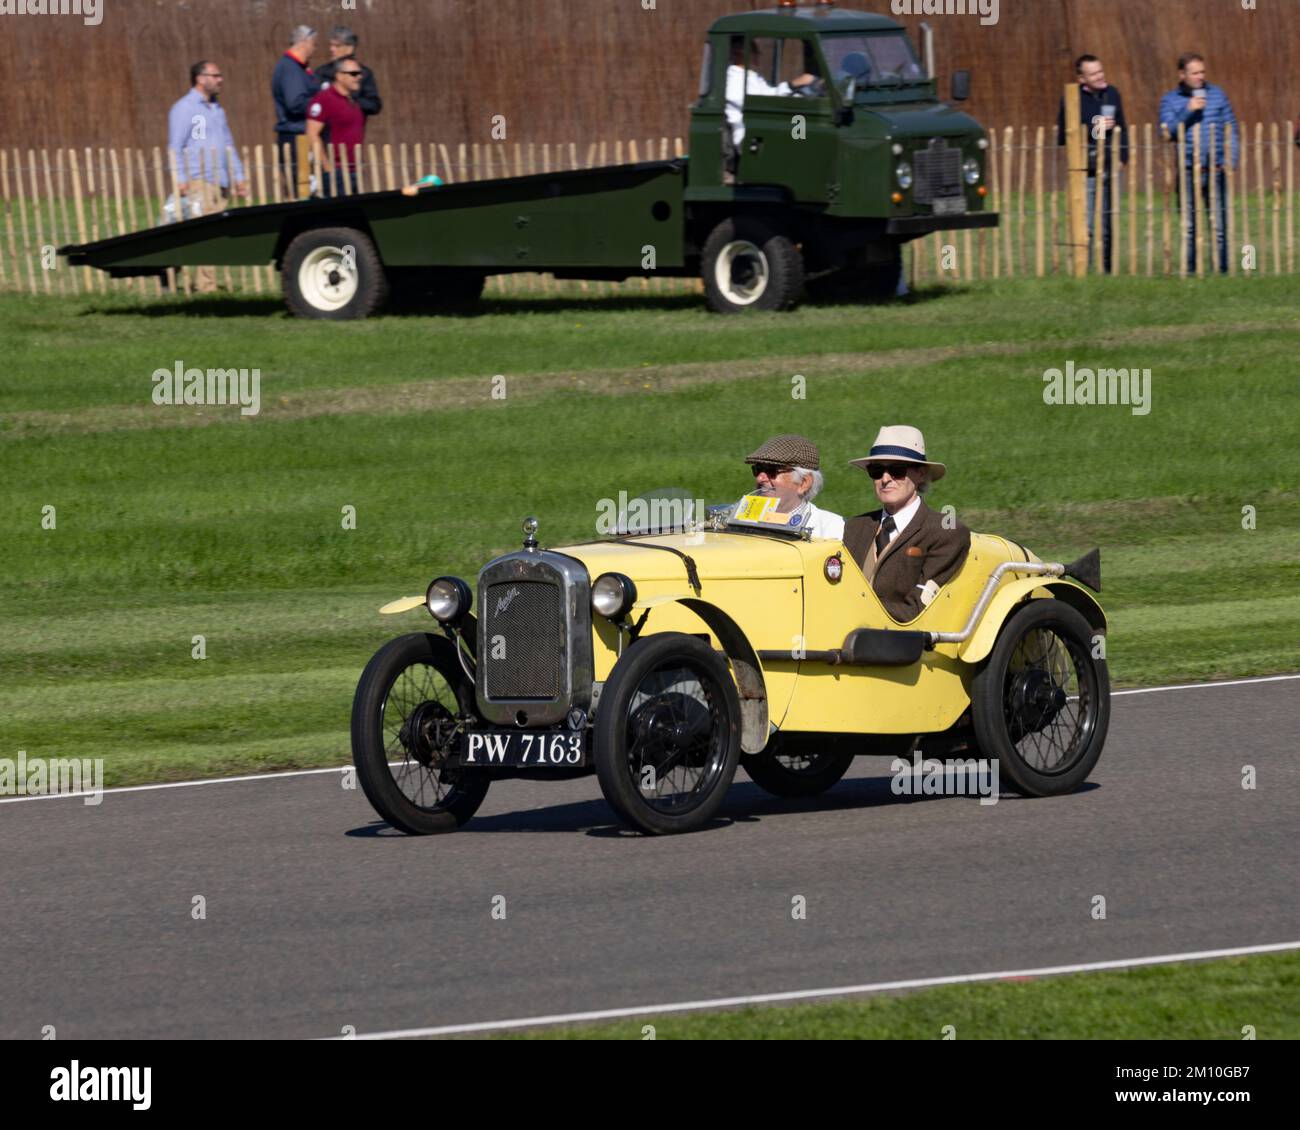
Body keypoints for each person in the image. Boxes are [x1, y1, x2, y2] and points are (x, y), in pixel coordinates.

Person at [842, 426, 970, 622]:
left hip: (902, 644)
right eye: (877, 471)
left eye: (897, 470)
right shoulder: (854, 527)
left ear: (920, 474)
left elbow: (917, 610)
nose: (885, 479)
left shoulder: (946, 532)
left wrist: (852, 610)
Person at [167, 61, 249, 292]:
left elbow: (228, 144)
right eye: (215, 75)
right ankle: (206, 287)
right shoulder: (184, 108)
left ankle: (182, 276)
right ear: (200, 78)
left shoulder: (216, 109)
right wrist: (181, 179)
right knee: (206, 234)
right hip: (199, 179)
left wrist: (238, 177)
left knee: (215, 235)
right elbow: (175, 146)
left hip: (220, 180)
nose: (220, 79)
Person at [1159, 53, 1238, 274]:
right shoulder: (1170, 99)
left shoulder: (1218, 94)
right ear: (1182, 75)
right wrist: (1188, 110)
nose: (1200, 77)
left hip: (1217, 170)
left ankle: (1222, 270)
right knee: (1190, 226)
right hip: (1188, 172)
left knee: (1220, 225)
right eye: (1195, 73)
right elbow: (1166, 132)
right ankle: (1191, 270)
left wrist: (1231, 160)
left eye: (1202, 72)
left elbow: (1231, 128)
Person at [1056, 54, 1129, 273]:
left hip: (1109, 167)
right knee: (1085, 225)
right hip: (1085, 170)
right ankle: (1083, 269)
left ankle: (1108, 269)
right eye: (1094, 73)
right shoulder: (1073, 98)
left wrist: (1123, 158)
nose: (1100, 76)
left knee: (1108, 224)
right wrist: (1096, 126)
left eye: (1101, 71)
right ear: (1081, 78)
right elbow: (1063, 135)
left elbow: (1122, 127)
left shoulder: (1112, 93)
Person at [724, 38, 817, 173]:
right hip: (751, 139)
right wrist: (793, 85)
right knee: (799, 127)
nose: (758, 55)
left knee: (800, 121)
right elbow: (760, 103)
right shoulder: (732, 79)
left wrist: (798, 92)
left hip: (764, 131)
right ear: (740, 53)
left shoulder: (751, 77)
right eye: (754, 51)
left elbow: (771, 94)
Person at [741, 435, 844, 540]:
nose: (759, 478)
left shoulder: (831, 529)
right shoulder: (734, 519)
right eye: (757, 469)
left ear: (804, 483)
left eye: (771, 471)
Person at [306, 61, 366, 196]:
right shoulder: (324, 99)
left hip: (354, 170)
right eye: (354, 74)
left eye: (360, 73)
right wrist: (327, 166)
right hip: (337, 173)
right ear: (339, 76)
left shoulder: (353, 100)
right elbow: (311, 133)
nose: (359, 77)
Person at [272, 25, 317, 190]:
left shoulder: (299, 68)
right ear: (304, 42)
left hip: (302, 136)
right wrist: (321, 105)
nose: (314, 49)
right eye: (313, 44)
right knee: (304, 192)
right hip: (297, 138)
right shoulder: (290, 68)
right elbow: (296, 103)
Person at [315, 26, 382, 117]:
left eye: (337, 46)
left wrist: (348, 101)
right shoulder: (322, 72)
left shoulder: (364, 73)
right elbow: (312, 101)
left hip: (350, 128)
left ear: (350, 48)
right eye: (331, 45)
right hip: (325, 129)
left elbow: (374, 106)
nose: (332, 49)